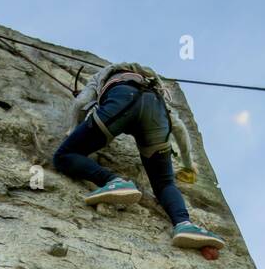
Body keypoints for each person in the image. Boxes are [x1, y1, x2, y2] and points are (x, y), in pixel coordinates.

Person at [52, 62, 225, 255]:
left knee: (64, 156)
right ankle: (184, 224)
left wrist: (73, 130)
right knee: (165, 183)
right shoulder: (154, 87)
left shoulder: (104, 74)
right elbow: (178, 127)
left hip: (121, 101)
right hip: (155, 114)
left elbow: (80, 102)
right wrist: (187, 165)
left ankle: (113, 181)